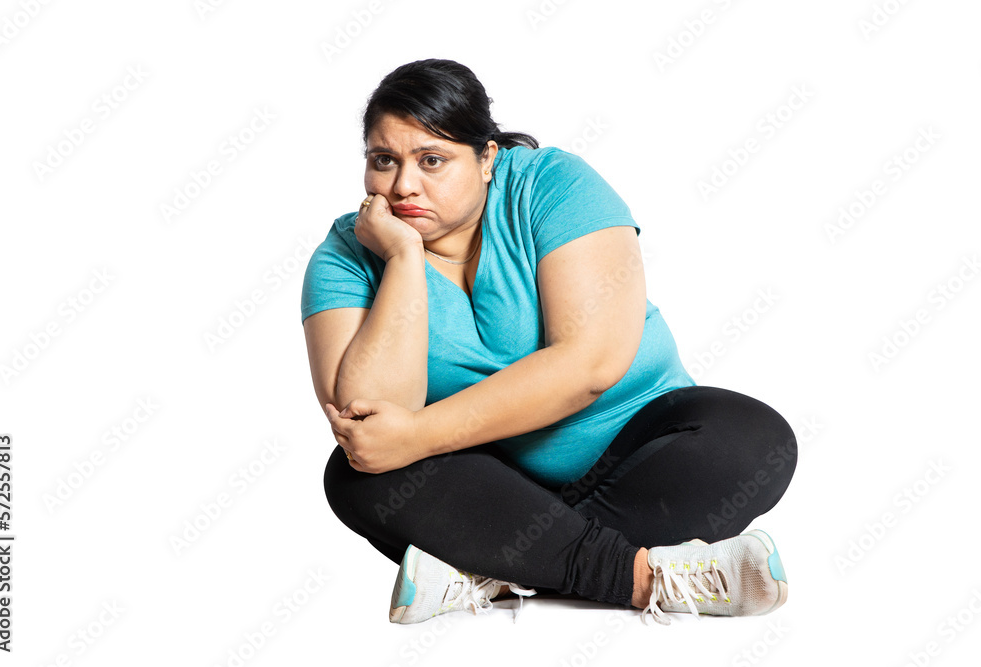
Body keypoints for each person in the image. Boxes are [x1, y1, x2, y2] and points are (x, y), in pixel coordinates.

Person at [301, 58, 796, 626]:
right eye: (383, 161)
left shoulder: (552, 184)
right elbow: (367, 423)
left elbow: (590, 364)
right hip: (485, 481)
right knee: (357, 474)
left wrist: (414, 434)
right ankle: (648, 577)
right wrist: (404, 259)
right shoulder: (348, 252)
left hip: (637, 452)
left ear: (487, 158)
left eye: (432, 160)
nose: (403, 185)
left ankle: (494, 568)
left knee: (751, 438)